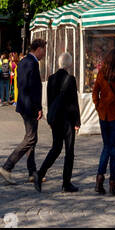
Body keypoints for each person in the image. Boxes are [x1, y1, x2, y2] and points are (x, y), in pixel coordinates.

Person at [0, 39, 45, 186]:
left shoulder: (24, 62)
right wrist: (37, 107)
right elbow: (30, 88)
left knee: (32, 138)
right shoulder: (31, 63)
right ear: (38, 49)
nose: (44, 53)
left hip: (25, 105)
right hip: (29, 106)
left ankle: (32, 172)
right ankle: (7, 166)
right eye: (43, 50)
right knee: (30, 139)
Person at [36, 51, 81, 193]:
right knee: (69, 151)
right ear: (70, 64)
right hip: (67, 119)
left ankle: (40, 173)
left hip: (55, 119)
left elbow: (50, 100)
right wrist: (77, 121)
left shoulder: (51, 79)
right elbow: (74, 102)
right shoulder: (71, 79)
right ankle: (66, 182)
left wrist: (50, 117)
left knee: (55, 148)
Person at [91, 47, 115, 196]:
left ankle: (99, 179)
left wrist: (97, 105)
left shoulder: (101, 73)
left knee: (106, 147)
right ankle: (113, 183)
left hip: (103, 115)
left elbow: (95, 92)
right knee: (113, 149)